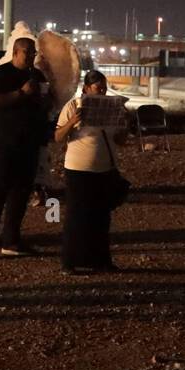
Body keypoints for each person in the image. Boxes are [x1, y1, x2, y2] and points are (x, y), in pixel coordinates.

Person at [0, 35, 48, 259]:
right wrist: (21, 93)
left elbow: (43, 102)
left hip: (29, 143)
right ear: (15, 52)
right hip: (5, 144)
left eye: (34, 52)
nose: (32, 56)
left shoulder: (36, 75)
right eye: (27, 52)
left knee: (20, 195)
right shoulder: (0, 74)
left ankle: (11, 241)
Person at [53, 70, 127, 274]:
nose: (102, 92)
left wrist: (124, 125)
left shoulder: (112, 108)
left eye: (104, 88)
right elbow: (58, 136)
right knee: (76, 217)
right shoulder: (73, 106)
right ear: (86, 88)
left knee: (101, 218)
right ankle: (69, 262)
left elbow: (121, 141)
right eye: (98, 88)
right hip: (78, 170)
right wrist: (72, 121)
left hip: (105, 169)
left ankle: (101, 261)